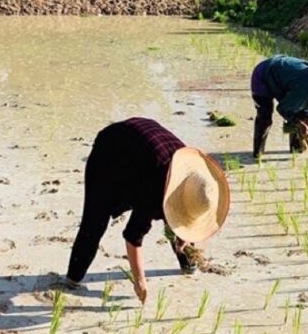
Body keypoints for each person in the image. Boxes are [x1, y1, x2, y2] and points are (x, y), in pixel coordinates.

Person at [65, 118, 230, 302]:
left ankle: (185, 258)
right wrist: (139, 281)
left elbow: (184, 214)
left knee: (186, 214)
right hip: (110, 150)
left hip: (145, 147)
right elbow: (132, 236)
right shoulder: (154, 190)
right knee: (95, 221)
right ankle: (72, 279)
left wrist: (183, 238)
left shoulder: (196, 178)